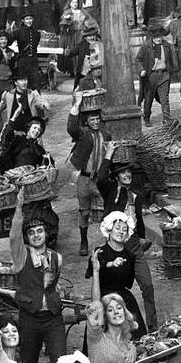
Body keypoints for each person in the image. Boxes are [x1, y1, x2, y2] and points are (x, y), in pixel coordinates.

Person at [8, 189, 67, 363]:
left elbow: (52, 284)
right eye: (31, 232)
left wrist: (58, 291)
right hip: (29, 318)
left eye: (39, 231)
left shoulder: (57, 258)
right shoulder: (21, 256)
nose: (36, 235)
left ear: (46, 233)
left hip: (53, 318)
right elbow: (14, 237)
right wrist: (18, 208)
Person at [88, 209, 156, 335]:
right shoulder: (100, 253)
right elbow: (98, 268)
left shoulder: (130, 256)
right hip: (104, 297)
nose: (121, 231)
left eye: (124, 229)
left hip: (124, 298)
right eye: (117, 228)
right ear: (109, 230)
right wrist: (110, 264)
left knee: (136, 335)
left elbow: (128, 283)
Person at [69, 109, 111, 257]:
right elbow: (72, 129)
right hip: (85, 178)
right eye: (92, 120)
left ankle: (110, 242)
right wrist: (76, 106)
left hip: (100, 179)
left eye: (97, 119)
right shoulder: (84, 134)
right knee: (84, 211)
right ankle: (83, 242)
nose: (95, 122)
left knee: (108, 210)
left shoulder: (106, 135)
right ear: (86, 122)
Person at [137, 21, 174, 125]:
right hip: (151, 76)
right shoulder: (146, 47)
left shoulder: (167, 46)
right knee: (149, 98)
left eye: (160, 36)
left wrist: (171, 71)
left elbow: (170, 60)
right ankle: (147, 117)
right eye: (156, 37)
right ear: (152, 37)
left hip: (164, 74)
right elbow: (138, 60)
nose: (158, 39)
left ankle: (167, 118)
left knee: (164, 99)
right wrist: (142, 70)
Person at [57, 0, 92, 89]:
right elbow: (62, 24)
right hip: (71, 35)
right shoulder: (67, 12)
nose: (75, 4)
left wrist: (87, 24)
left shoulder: (82, 11)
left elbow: (89, 20)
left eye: (76, 2)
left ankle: (79, 71)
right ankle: (73, 71)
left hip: (80, 34)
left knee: (81, 53)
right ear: (69, 3)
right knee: (72, 52)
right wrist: (67, 20)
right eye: (73, 2)